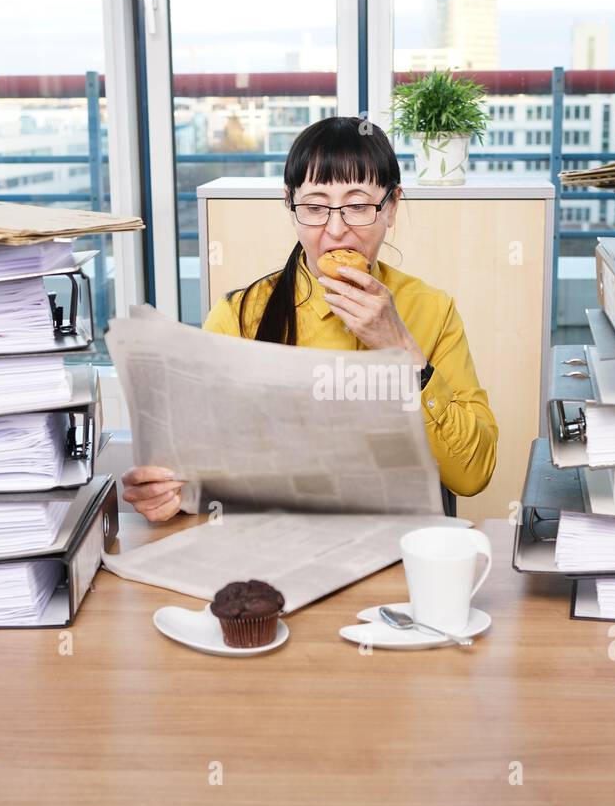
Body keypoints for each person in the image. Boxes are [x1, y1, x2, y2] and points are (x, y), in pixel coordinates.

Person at [123, 116, 498, 523]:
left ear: (391, 207)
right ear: (291, 206)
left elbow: (472, 474)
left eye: (357, 206)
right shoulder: (239, 316)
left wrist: (401, 350)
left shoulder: (432, 309)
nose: (336, 230)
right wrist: (166, 490)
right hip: (275, 545)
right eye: (316, 207)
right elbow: (194, 466)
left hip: (397, 548)